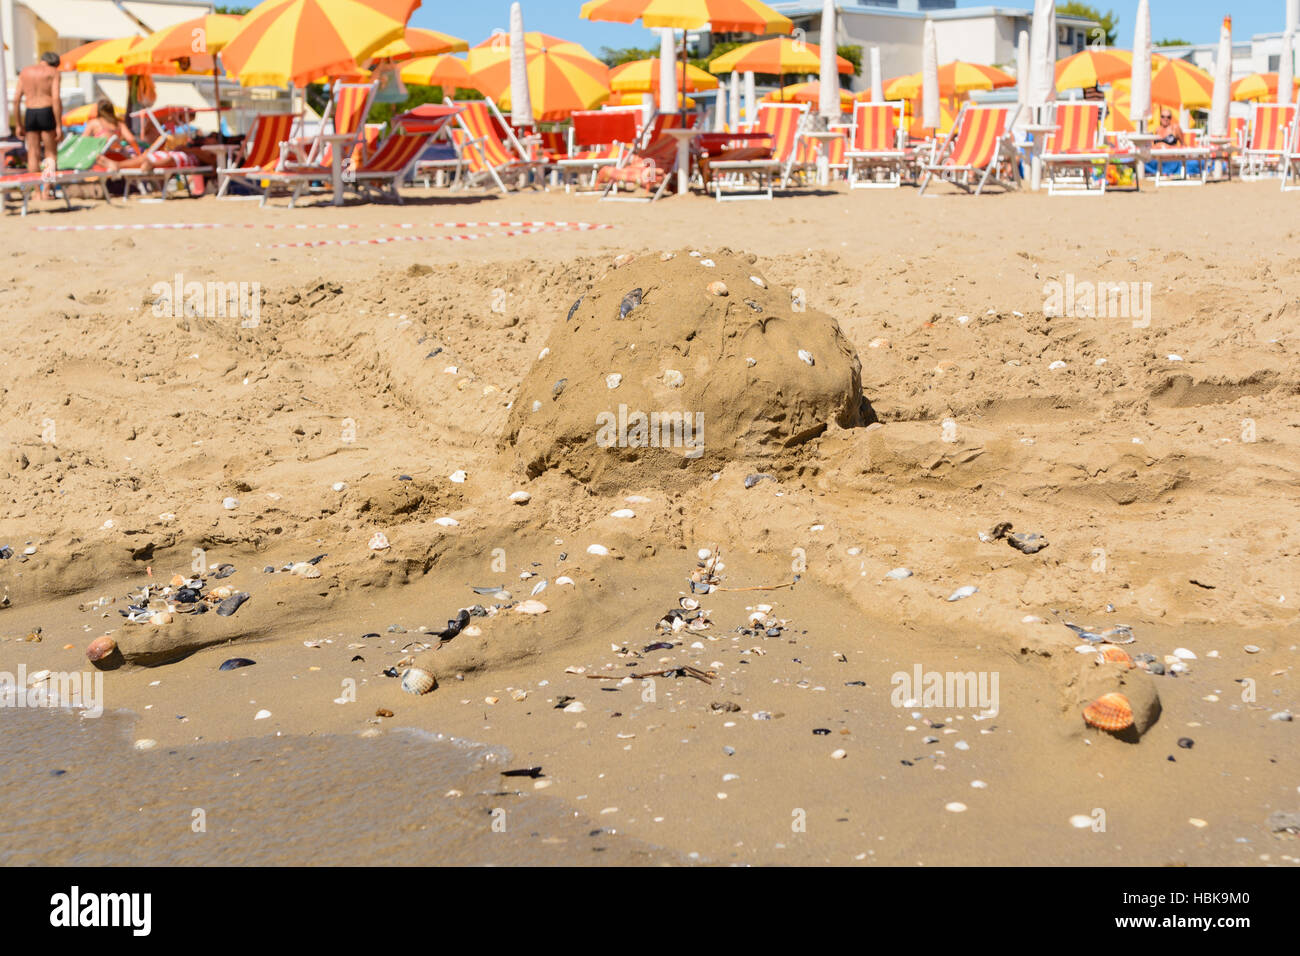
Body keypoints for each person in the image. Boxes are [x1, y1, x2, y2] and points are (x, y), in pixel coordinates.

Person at [13, 52, 62, 194]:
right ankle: (46, 190)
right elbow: (56, 99)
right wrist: (58, 124)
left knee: (32, 153)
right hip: (46, 111)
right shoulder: (53, 72)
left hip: (30, 112)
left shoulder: (25, 72)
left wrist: (18, 124)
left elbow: (16, 100)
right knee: (50, 153)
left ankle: (36, 192)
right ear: (54, 64)